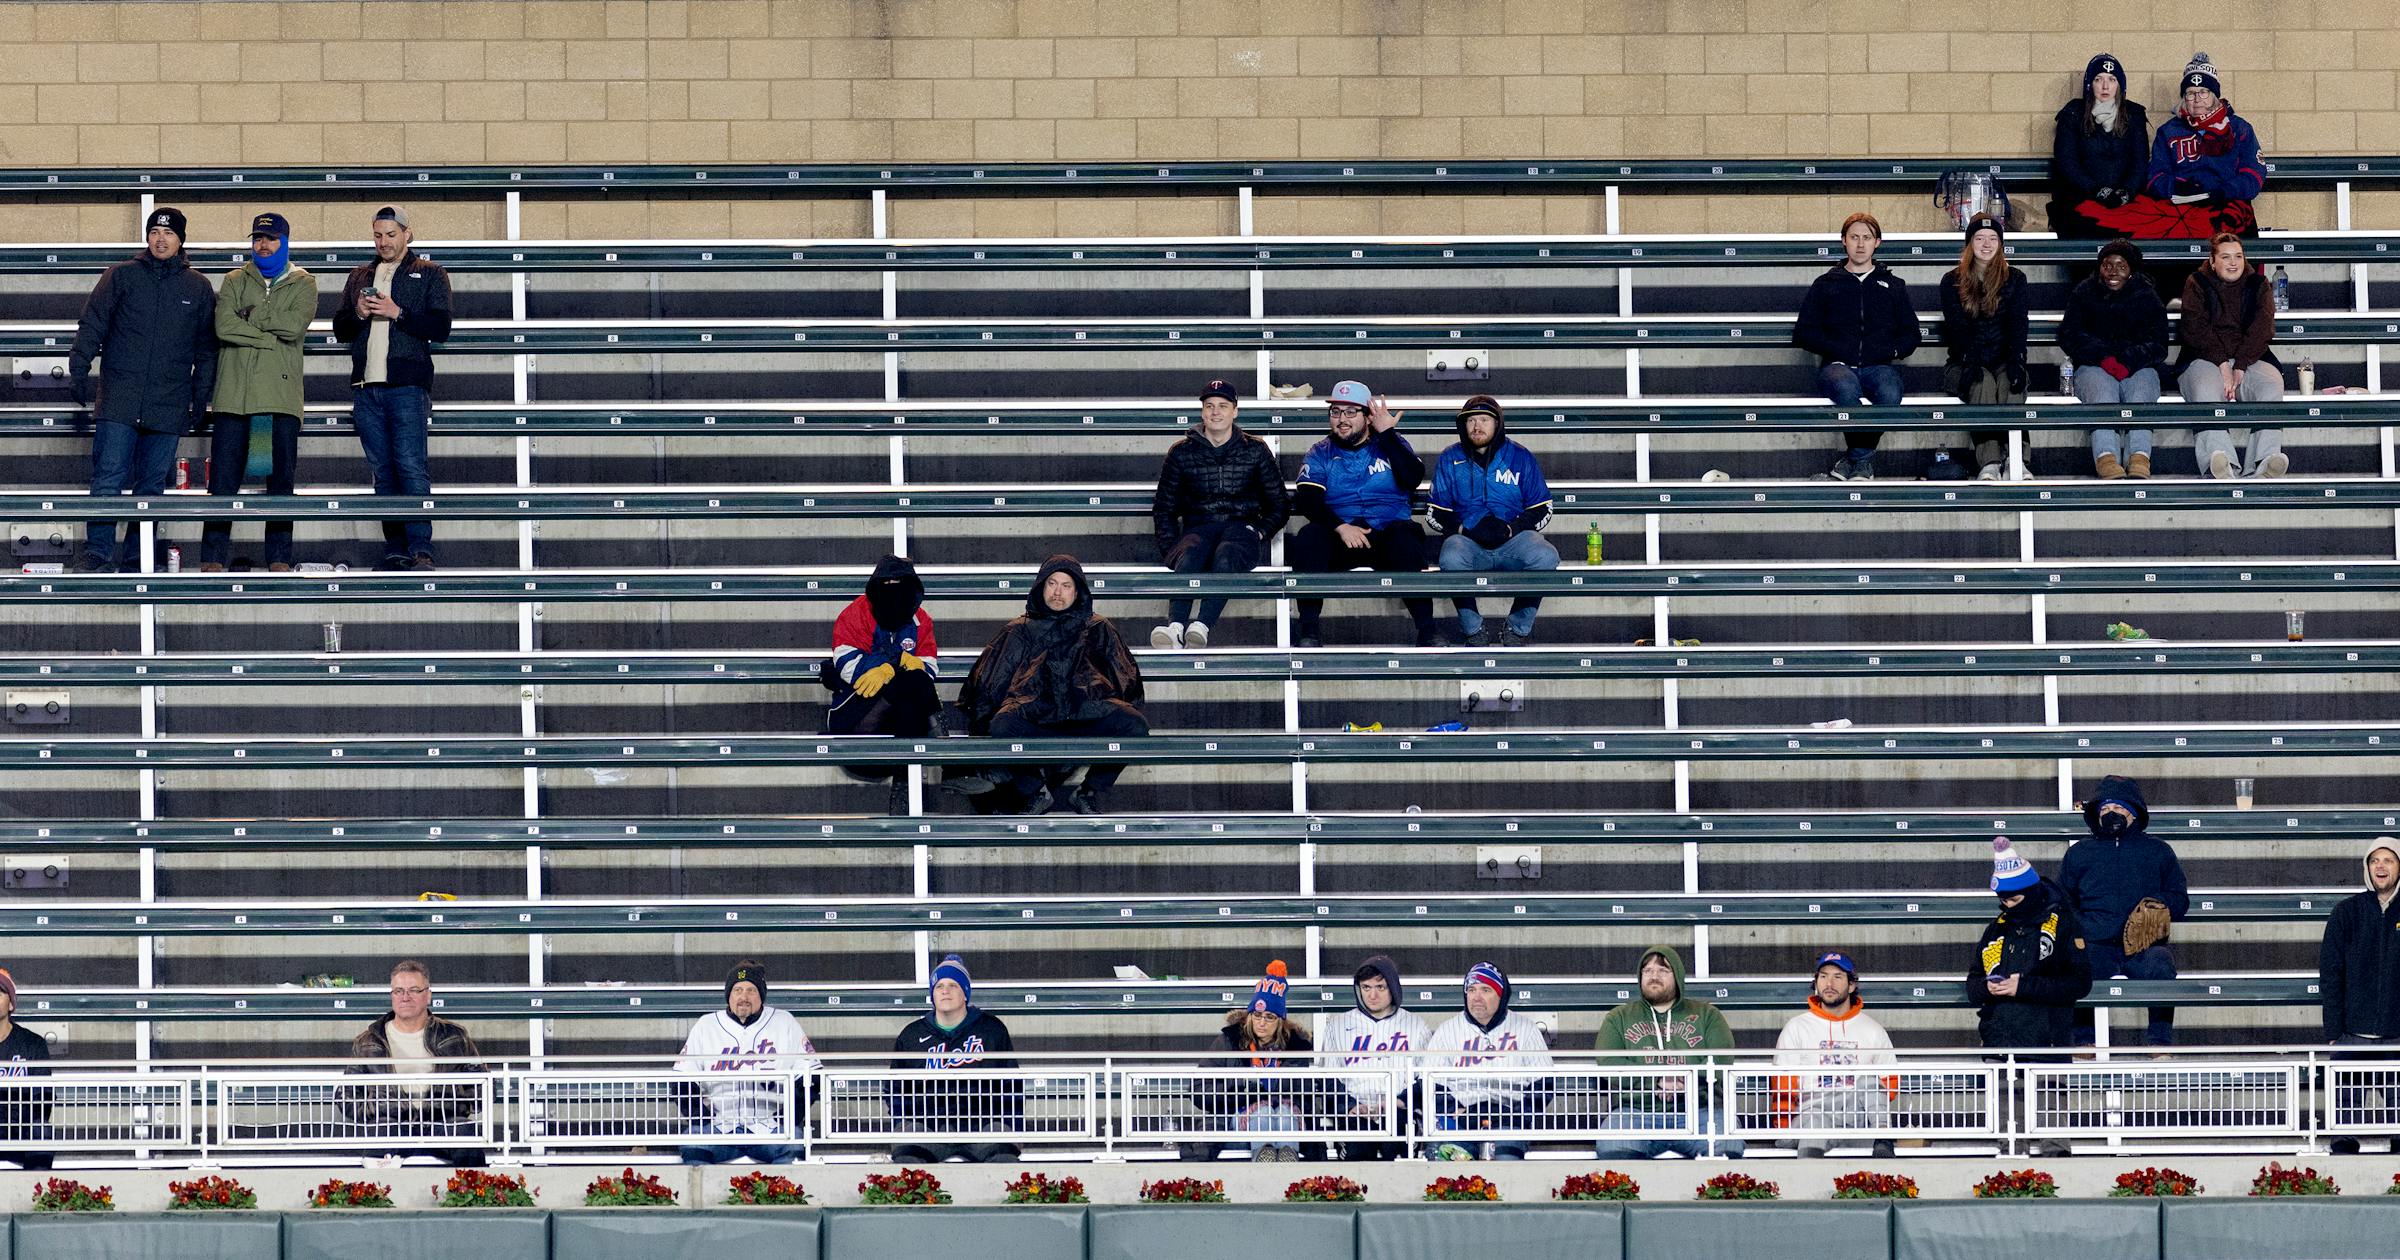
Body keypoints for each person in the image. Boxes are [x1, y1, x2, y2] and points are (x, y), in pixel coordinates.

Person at [64, 205, 217, 573]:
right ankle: (98, 554)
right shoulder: (120, 276)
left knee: (150, 488)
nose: (160, 239)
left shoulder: (198, 287)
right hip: (119, 397)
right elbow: (93, 324)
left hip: (168, 403)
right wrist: (79, 367)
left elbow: (206, 348)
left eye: (168, 233)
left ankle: (138, 558)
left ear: (181, 240)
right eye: (154, 232)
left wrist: (201, 396)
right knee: (108, 479)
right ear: (147, 237)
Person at [948, 555, 1146, 815]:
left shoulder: (1098, 628)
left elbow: (1127, 678)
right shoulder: (1019, 630)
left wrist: (1106, 704)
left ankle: (1088, 792)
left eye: (1066, 585)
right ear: (1041, 587)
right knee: (1001, 725)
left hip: (1085, 719)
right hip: (1036, 720)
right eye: (1051, 583)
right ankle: (1036, 791)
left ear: (1078, 592)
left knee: (1134, 724)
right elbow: (987, 686)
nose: (1057, 592)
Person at [331, 205, 453, 572]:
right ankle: (396, 549)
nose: (383, 242)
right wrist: (359, 313)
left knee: (410, 467)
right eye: (378, 235)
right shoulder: (359, 275)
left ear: (407, 235)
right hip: (367, 387)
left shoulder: (430, 273)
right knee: (383, 472)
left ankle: (421, 549)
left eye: (390, 234)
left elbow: (441, 326)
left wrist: (397, 312)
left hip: (407, 387)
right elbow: (340, 330)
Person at [200, 211, 318, 573]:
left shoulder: (303, 282)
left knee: (279, 481)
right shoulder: (235, 279)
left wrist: (250, 318)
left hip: (275, 400)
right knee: (223, 482)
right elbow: (223, 326)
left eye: (270, 239)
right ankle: (213, 558)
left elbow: (294, 325)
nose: (263, 245)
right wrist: (267, 335)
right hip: (234, 398)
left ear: (285, 241)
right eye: (257, 239)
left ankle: (280, 557)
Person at [1290, 379, 1439, 647]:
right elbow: (1308, 500)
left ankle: (1427, 630)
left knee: (1405, 536)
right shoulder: (1320, 451)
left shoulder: (1392, 443)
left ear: (1368, 417)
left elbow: (1412, 478)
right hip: (1342, 537)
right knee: (1309, 536)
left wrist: (1388, 435)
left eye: (1350, 412)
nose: (1341, 419)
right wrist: (1341, 527)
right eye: (1335, 412)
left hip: (1387, 535)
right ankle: (1309, 630)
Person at [1967, 838, 2090, 1158]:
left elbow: (2079, 983)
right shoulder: (1995, 929)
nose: (2007, 904)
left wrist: (2024, 987)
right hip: (2002, 1042)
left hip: (2048, 1041)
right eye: (2002, 899)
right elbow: (1972, 985)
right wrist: (1988, 989)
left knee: (2055, 1146)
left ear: (2031, 891)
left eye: (2014, 898)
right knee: (2010, 1147)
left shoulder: (2063, 923)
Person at [1150, 379, 1289, 650]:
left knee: (1227, 552)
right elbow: (1164, 507)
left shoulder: (1255, 449)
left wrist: (1260, 531)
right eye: (1209, 406)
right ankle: (1175, 627)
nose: (1215, 412)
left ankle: (1201, 626)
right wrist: (1170, 549)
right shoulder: (1181, 452)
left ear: (1234, 411)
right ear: (1202, 411)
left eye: (1223, 406)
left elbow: (1280, 504)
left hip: (1241, 529)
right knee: (1190, 551)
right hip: (1199, 528)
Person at [2057, 776, 2189, 1048]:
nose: (2110, 813)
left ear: (2133, 811)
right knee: (2077, 962)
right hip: (2096, 943)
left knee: (2161, 963)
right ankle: (2084, 1044)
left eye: (2117, 808)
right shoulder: (2079, 853)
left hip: (2143, 946)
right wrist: (2084, 928)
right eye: (2104, 809)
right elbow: (2063, 902)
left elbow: (2180, 900)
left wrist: (2158, 906)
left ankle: (2159, 1044)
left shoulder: (2159, 852)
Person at [1795, 213, 1922, 481]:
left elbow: (1911, 333)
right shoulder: (1826, 284)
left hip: (1879, 366)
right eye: (1854, 237)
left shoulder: (1893, 285)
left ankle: (1854, 459)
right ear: (1844, 241)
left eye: (1866, 238)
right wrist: (1837, 350)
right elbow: (1804, 333)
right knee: (1845, 387)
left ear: (1877, 243)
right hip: (1837, 366)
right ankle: (1863, 462)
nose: (1860, 244)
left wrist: (1893, 351)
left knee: (1890, 391)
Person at [1429, 395, 1558, 645]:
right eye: (1472, 421)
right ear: (1462, 426)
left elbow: (1543, 507)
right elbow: (1436, 512)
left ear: (1497, 423)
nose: (1477, 426)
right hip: (1469, 543)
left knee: (1545, 555)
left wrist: (1512, 529)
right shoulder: (1450, 457)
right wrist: (1465, 529)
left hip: (1512, 541)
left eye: (1485, 420)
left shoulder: (1519, 456)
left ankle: (1517, 630)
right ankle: (1474, 630)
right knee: (1450, 555)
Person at [1594, 944, 1744, 1159]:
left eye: (1663, 970)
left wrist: (1683, 1079)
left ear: (1678, 977)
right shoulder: (1618, 1017)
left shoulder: (1707, 1015)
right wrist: (1657, 1080)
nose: (1654, 976)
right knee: (1614, 1145)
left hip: (1700, 1111)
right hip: (1636, 1111)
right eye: (1647, 971)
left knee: (1727, 1144)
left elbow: (1720, 1060)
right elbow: (1609, 1063)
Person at [340, 960, 488, 1166]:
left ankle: (476, 1197)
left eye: (414, 990)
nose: (405, 997)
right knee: (379, 1136)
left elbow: (484, 1086)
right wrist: (378, 1110)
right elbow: (346, 1096)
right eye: (398, 991)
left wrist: (457, 1103)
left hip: (442, 1123)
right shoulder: (368, 1041)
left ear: (428, 995)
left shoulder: (454, 1036)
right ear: (391, 995)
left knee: (466, 1135)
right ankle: (372, 1197)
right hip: (392, 1125)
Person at [675, 960, 819, 1165]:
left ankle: (786, 1198)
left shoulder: (784, 1021)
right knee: (693, 1142)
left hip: (769, 1125)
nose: (743, 997)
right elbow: (681, 1080)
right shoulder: (706, 1025)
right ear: (729, 995)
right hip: (720, 1125)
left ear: (761, 996)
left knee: (794, 1143)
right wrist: (703, 1119)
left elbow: (811, 1077)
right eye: (738, 990)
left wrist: (786, 1118)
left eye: (751, 990)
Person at [826, 554, 942, 799]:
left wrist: (894, 667)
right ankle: (948, 758)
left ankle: (903, 782)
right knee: (911, 681)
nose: (893, 591)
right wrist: (894, 662)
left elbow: (929, 668)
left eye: (899, 584)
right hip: (857, 721)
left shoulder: (921, 620)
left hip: (902, 722)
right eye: (887, 584)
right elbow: (846, 663)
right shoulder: (855, 613)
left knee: (914, 686)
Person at [887, 955, 1021, 1163]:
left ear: (965, 993)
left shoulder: (991, 1029)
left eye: (953, 985)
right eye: (939, 986)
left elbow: (1011, 1084)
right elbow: (895, 1089)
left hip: (981, 1125)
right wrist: (904, 1122)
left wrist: (1010, 1125)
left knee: (1004, 1156)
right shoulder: (912, 1035)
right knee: (907, 1156)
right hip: (928, 1126)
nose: (945, 991)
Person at [2058, 239, 2171, 478]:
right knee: (2102, 391)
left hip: (2138, 366)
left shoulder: (2147, 295)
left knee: (2142, 388)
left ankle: (2139, 457)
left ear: (2131, 270)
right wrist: (2104, 357)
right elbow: (2070, 334)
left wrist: (2129, 360)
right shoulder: (2084, 292)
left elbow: (2159, 343)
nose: (2113, 272)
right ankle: (2106, 457)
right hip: (2095, 365)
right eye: (2107, 265)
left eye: (2121, 266)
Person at [2179, 232, 2287, 479]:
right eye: (2225, 257)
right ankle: (2220, 461)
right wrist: (2222, 364)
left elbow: (2263, 328)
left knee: (2271, 384)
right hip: (2204, 358)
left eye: (2238, 256)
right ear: (2212, 260)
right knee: (2204, 389)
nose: (2233, 262)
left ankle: (2265, 461)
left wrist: (2239, 365)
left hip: (2248, 358)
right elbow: (2195, 328)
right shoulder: (2196, 282)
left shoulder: (2258, 284)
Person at [1191, 960, 1320, 1162]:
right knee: (1263, 1112)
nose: (1261, 1022)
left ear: (1280, 1020)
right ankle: (1265, 1160)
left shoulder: (1295, 1046)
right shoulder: (1229, 1041)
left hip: (1288, 1121)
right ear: (1250, 1015)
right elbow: (1199, 1088)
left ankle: (1287, 1157)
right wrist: (1240, 1089)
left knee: (1283, 1111)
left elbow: (1303, 1092)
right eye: (1257, 1015)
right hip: (1236, 1126)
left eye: (1269, 1017)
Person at [1771, 953, 1896, 1159]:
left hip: (1856, 1118)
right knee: (1815, 1121)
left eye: (1838, 977)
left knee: (1869, 1081)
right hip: (1813, 1113)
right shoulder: (1797, 1027)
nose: (1829, 983)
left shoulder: (1872, 1029)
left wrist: (1864, 1107)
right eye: (1823, 976)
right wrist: (1783, 1129)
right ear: (1816, 982)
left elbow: (1889, 1082)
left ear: (1852, 985)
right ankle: (1808, 1182)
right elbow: (1783, 1083)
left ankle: (1883, 1138)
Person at [2318, 838, 2400, 1153]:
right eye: (2374, 860)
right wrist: (2334, 1032)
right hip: (2352, 1035)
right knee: (2343, 1135)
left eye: (2388, 860)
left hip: (2397, 1038)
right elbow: (2331, 972)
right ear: (2367, 868)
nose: (2380, 866)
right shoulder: (2346, 912)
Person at [1424, 963, 1554, 1160]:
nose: (1476, 997)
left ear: (1501, 995)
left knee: (1506, 1165)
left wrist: (1520, 1117)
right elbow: (1430, 1081)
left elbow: (1544, 1082)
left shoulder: (1526, 1029)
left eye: (1486, 990)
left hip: (1509, 1123)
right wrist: (1453, 1109)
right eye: (1471, 989)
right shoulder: (1447, 1030)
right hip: (1461, 1122)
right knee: (1451, 1177)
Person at [1935, 214, 2027, 481]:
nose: (1986, 244)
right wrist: (1970, 358)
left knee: (2010, 381)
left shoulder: (2015, 278)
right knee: (1982, 382)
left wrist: (2016, 360)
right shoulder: (1951, 280)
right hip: (1963, 362)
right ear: (1969, 243)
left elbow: (2018, 324)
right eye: (1979, 238)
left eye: (1992, 238)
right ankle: (1990, 462)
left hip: (2003, 358)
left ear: (2000, 243)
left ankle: (2016, 460)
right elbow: (1957, 328)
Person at [1319, 954, 1431, 1160]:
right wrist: (1350, 1106)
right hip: (1354, 1111)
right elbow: (1328, 1078)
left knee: (1396, 1151)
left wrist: (1400, 1101)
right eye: (1366, 987)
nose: (1372, 995)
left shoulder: (1417, 1025)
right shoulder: (1337, 1025)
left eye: (1380, 987)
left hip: (1399, 1111)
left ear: (1393, 988)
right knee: (1359, 1152)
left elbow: (1427, 1078)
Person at [2047, 53, 2151, 239]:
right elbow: (2068, 163)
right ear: (2089, 84)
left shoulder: (2133, 114)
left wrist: (2126, 191)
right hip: (2082, 196)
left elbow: (2140, 162)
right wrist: (2097, 191)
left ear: (2120, 85)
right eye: (2098, 79)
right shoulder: (2072, 114)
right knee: (2086, 226)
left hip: (2126, 199)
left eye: (2112, 79)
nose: (2105, 86)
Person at [0, 970, 54, 1171]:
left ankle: (37, 1195)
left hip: (20, 1129)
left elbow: (44, 1098)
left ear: (11, 1004)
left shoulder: (32, 1044)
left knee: (41, 1129)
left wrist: (14, 1120)